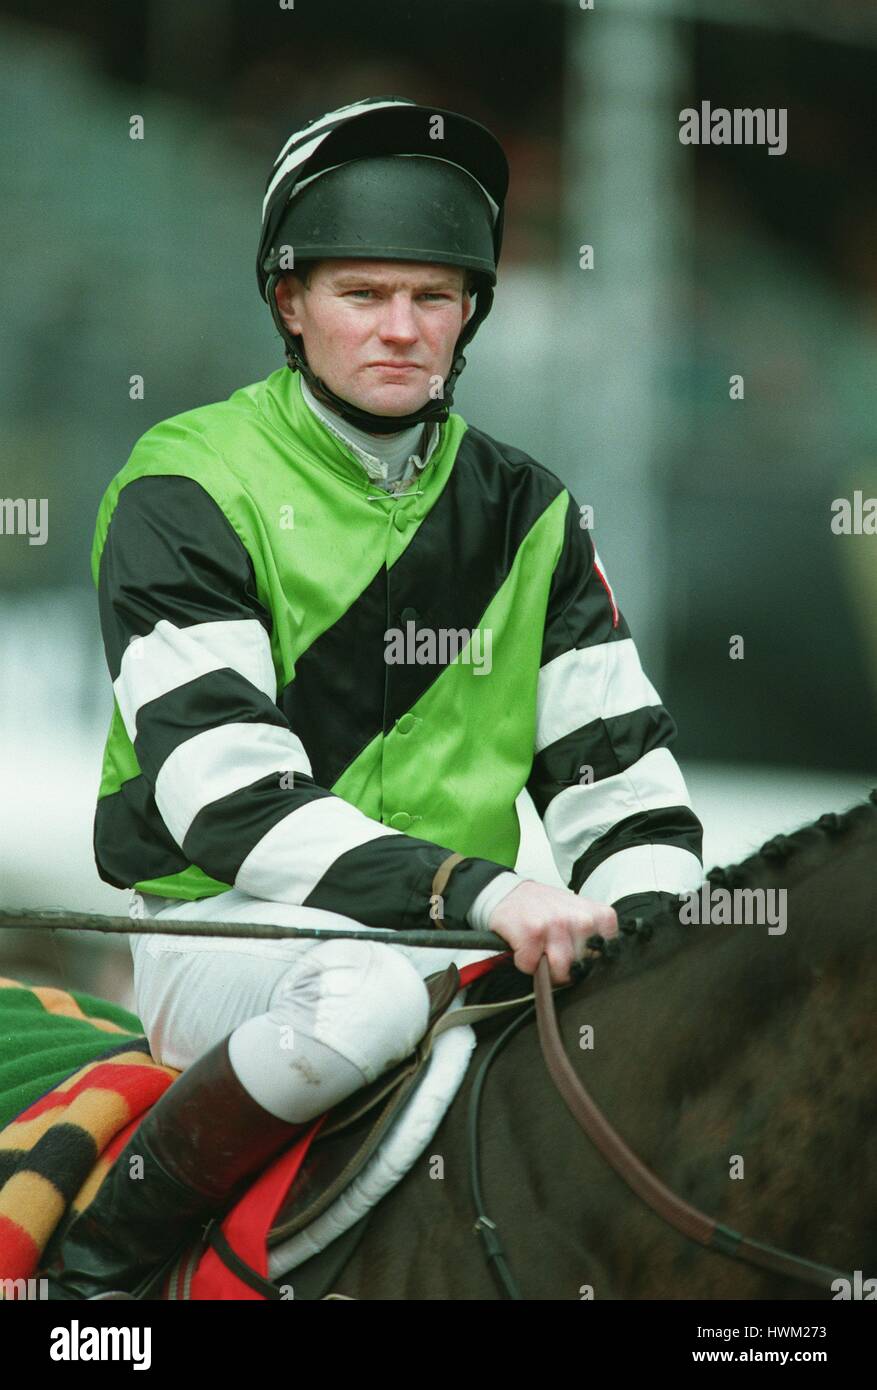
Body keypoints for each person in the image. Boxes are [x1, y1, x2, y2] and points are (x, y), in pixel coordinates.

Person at [46, 96, 704, 1299]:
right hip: (233, 929)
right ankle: (100, 1271)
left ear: (471, 314)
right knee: (362, 991)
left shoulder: (530, 509)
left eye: (434, 297)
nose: (401, 331)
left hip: (466, 940)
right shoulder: (184, 483)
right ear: (290, 303)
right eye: (362, 294)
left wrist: (662, 939)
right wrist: (479, 887)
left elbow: (623, 788)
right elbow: (226, 798)